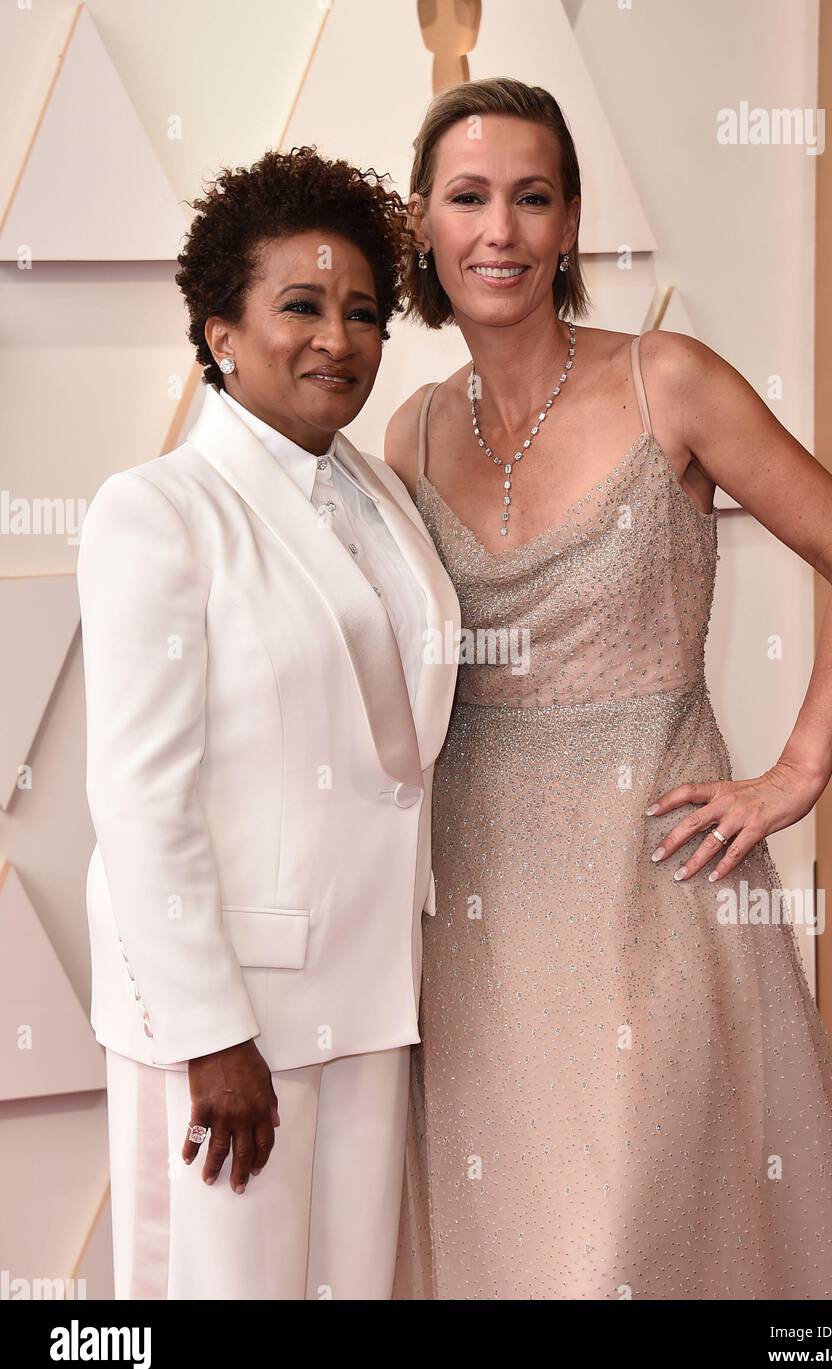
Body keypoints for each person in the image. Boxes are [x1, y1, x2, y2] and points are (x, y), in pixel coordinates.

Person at [384, 78, 832, 1299]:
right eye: (468, 198)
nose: (499, 231)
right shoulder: (408, 431)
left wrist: (796, 771)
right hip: (474, 912)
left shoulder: (664, 381)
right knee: (512, 1244)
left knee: (627, 1243)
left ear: (570, 223)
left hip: (657, 888)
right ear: (424, 223)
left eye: (531, 198)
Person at [77, 146, 460, 1299]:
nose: (336, 339)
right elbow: (139, 798)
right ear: (219, 332)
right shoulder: (157, 512)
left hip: (369, 994)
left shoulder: (380, 492)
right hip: (231, 1019)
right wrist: (208, 1031)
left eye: (360, 313)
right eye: (299, 306)